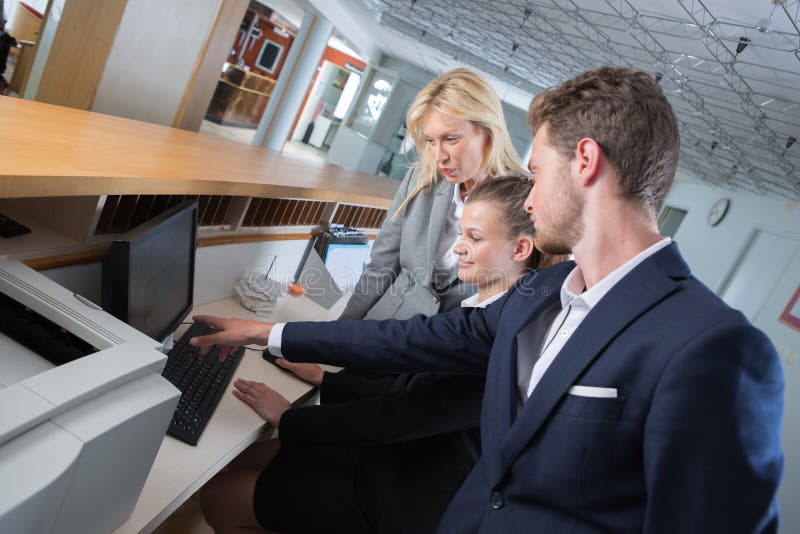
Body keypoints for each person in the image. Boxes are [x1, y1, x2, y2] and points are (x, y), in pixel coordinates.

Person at [192, 67, 784, 533]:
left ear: (584, 162)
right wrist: (265, 333)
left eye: (536, 172)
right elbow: (416, 339)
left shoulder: (717, 346)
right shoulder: (546, 289)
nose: (527, 198)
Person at [199, 177, 567, 533]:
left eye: (474, 237)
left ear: (520, 249)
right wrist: (324, 379)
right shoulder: (487, 309)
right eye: (460, 233)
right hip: (388, 457)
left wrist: (290, 417)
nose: (457, 247)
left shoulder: (502, 334)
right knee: (249, 460)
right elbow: (405, 380)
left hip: (404, 495)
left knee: (219, 498)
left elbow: (399, 414)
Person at [339, 67, 527, 321]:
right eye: (430, 141)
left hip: (446, 345)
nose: (439, 156)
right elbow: (381, 265)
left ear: (487, 133)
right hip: (382, 326)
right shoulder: (420, 180)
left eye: (450, 139)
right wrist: (338, 334)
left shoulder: (521, 203)